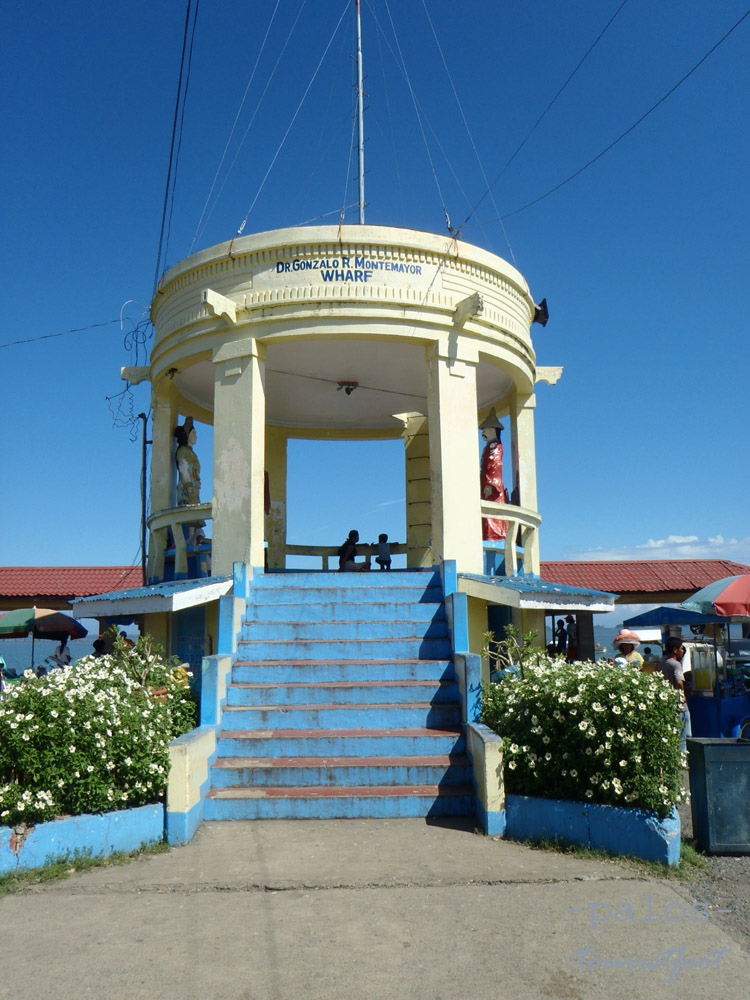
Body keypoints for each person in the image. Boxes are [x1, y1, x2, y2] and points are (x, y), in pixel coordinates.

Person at [479, 408, 508, 541]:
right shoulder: (489, 446)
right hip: (485, 480)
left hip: (491, 484)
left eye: (485, 429)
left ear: (491, 430)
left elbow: (495, 465)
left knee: (492, 514)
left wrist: (489, 483)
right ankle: (488, 534)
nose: (483, 432)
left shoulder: (495, 447)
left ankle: (494, 535)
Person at [659, 636, 691, 751]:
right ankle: (683, 758)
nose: (682, 651)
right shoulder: (676, 664)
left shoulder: (662, 663)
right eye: (681, 648)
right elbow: (679, 682)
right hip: (680, 707)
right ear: (675, 650)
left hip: (668, 704)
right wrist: (682, 695)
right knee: (684, 736)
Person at [174, 416, 206, 532]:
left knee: (194, 520)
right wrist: (189, 487)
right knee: (188, 518)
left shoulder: (190, 452)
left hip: (193, 489)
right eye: (193, 433)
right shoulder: (183, 451)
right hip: (188, 490)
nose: (196, 436)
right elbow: (184, 469)